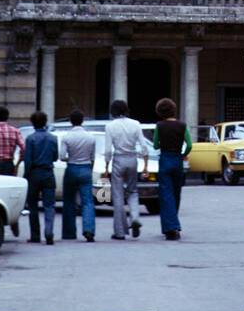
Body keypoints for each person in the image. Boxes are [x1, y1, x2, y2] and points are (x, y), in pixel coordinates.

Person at [104, 100, 150, 240]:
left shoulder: (110, 126)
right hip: (132, 159)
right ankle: (135, 217)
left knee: (117, 195)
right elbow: (144, 147)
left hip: (118, 159)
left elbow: (107, 150)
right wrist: (145, 166)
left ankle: (119, 232)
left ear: (113, 111)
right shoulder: (135, 124)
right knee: (133, 191)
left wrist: (106, 166)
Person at [152, 98, 192, 241]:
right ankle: (172, 224)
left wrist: (161, 143)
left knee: (165, 195)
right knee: (176, 194)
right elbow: (189, 145)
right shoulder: (182, 125)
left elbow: (155, 145)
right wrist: (183, 155)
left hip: (165, 160)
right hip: (177, 160)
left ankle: (171, 227)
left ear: (160, 111)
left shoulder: (159, 125)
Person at [60, 109, 97, 242]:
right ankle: (89, 230)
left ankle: (69, 232)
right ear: (82, 121)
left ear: (71, 121)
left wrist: (71, 158)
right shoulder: (90, 137)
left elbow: (62, 156)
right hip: (86, 168)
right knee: (87, 201)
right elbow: (93, 157)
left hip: (71, 167)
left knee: (69, 201)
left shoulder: (66, 137)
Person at [24, 111, 59, 245]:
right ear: (45, 122)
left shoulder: (30, 139)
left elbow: (28, 160)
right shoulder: (53, 138)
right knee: (49, 205)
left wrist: (26, 175)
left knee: (33, 206)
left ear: (33, 123)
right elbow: (55, 157)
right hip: (48, 173)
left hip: (34, 174)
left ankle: (35, 235)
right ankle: (49, 233)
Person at [0, 105, 26, 176]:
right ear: (7, 117)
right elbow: (24, 148)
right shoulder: (15, 131)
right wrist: (18, 163)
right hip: (9, 164)